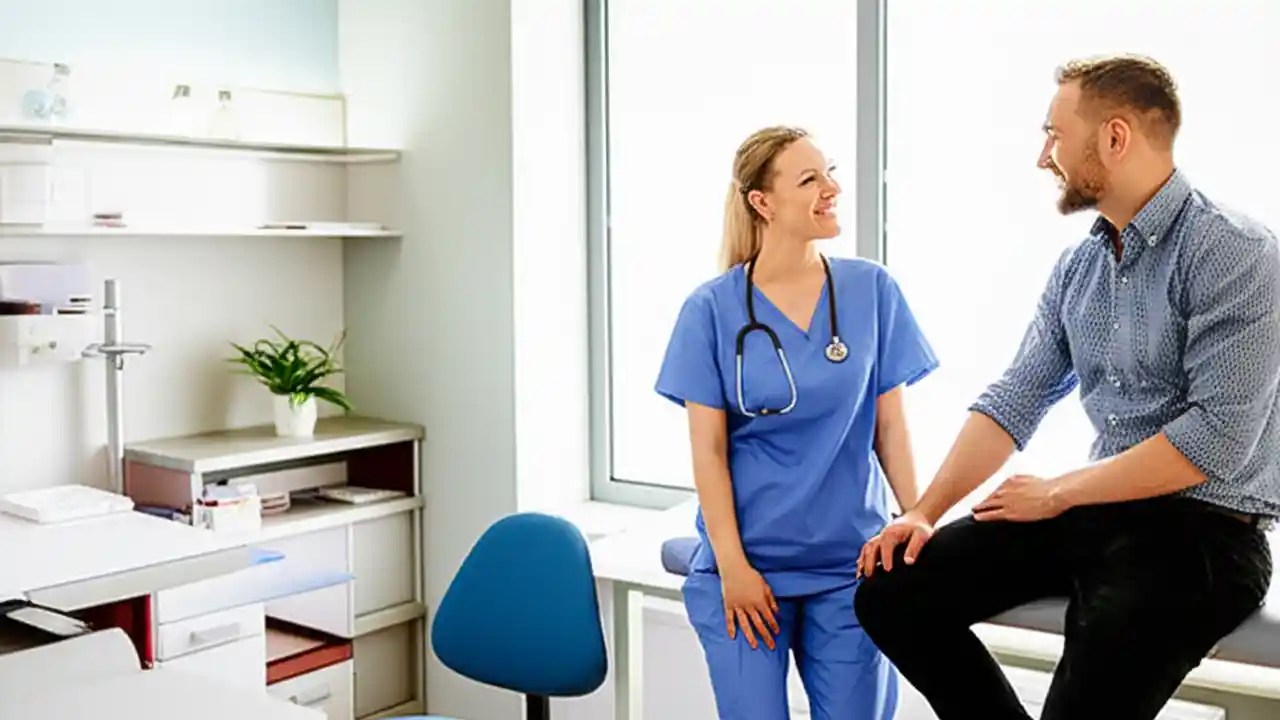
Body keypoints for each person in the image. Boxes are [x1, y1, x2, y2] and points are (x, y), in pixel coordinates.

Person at [853, 54, 1278, 720]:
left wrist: (1054, 493)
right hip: (1100, 510)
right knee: (891, 590)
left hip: (1206, 534)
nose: (1042, 155)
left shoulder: (1236, 253)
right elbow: (1016, 396)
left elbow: (1216, 440)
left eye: (1055, 133)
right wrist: (923, 511)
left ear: (1114, 137)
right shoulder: (1079, 268)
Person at [654, 125, 938, 719]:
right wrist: (731, 565)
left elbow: (890, 429)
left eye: (829, 172)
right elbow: (707, 452)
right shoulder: (710, 309)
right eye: (810, 179)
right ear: (763, 202)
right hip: (747, 568)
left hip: (851, 567)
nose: (831, 187)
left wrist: (918, 517)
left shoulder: (871, 291)